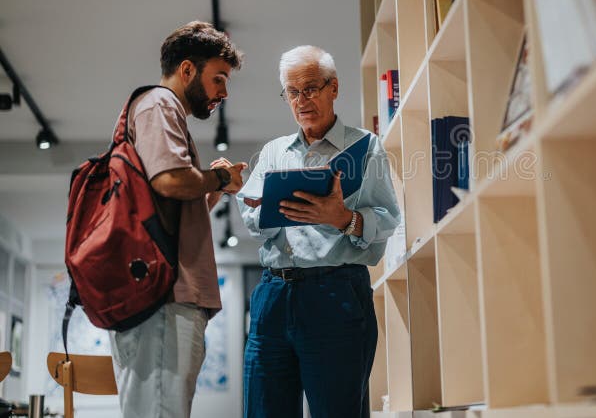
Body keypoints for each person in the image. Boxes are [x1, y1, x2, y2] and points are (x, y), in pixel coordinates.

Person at [237, 45, 401, 418]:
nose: (301, 100)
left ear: (334, 88)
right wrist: (257, 207)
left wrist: (343, 218)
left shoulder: (364, 147)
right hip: (272, 296)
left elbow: (388, 218)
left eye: (310, 88)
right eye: (292, 92)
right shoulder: (274, 151)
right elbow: (251, 221)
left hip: (336, 295)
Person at [108, 21, 246, 418]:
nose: (224, 91)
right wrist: (219, 176)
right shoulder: (159, 103)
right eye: (218, 78)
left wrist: (211, 191)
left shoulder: (162, 110)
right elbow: (169, 180)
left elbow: (165, 206)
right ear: (187, 70)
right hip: (163, 299)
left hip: (166, 298)